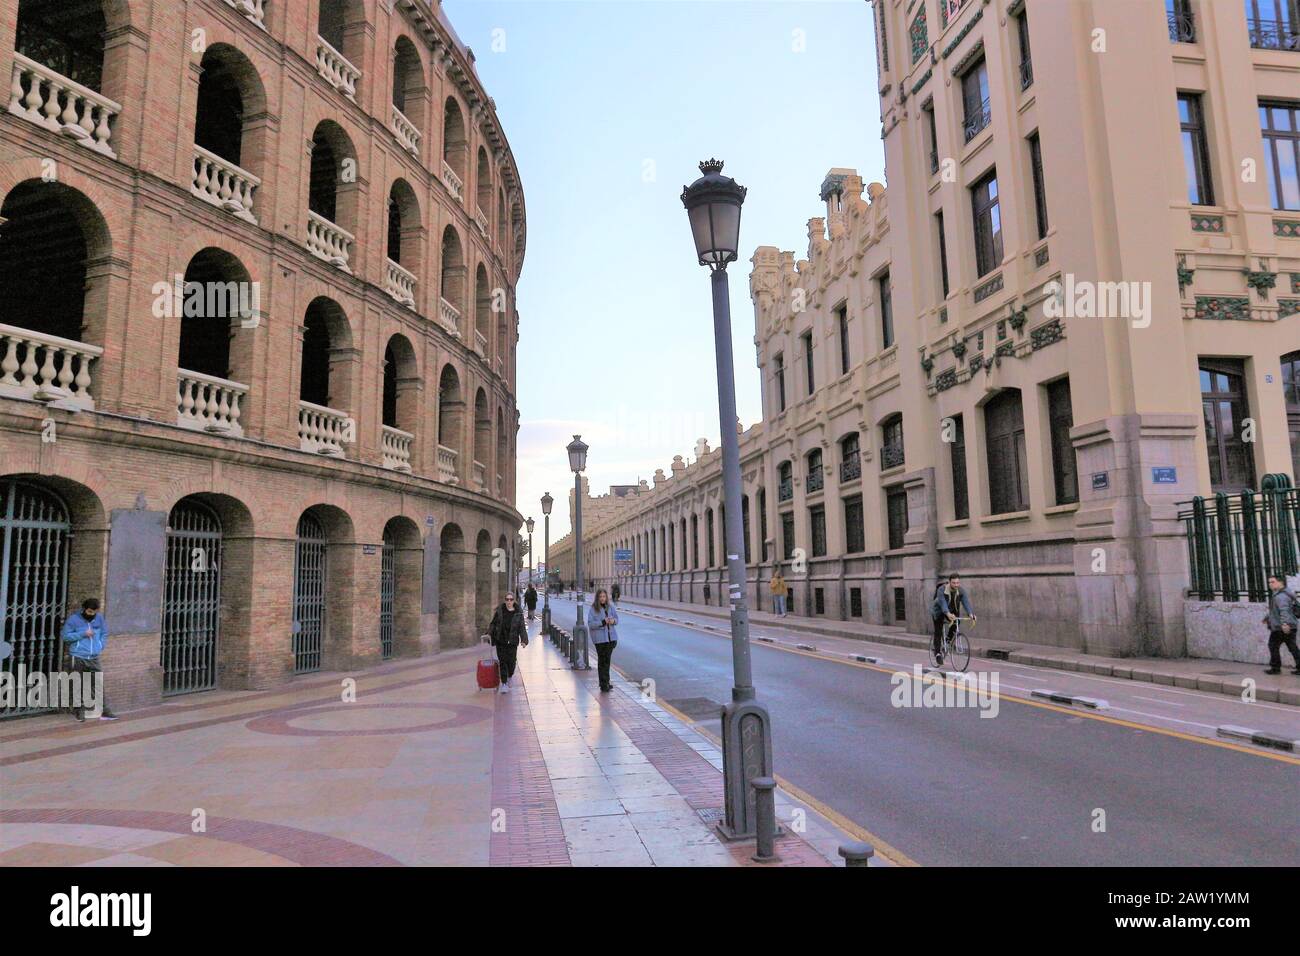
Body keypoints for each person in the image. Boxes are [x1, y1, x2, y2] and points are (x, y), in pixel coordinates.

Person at [61, 597, 117, 721]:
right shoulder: (74, 620)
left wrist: (100, 646)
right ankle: (79, 711)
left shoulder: (99, 618)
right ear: (84, 609)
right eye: (89, 612)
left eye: (94, 612)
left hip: (93, 657)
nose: (91, 614)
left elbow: (104, 633)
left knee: (98, 683)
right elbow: (65, 636)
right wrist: (82, 634)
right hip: (78, 656)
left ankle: (104, 710)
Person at [929, 573, 975, 666]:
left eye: (958, 583)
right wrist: (947, 613)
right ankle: (937, 653)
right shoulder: (942, 590)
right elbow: (942, 603)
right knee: (938, 630)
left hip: (951, 611)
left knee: (957, 622)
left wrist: (970, 613)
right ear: (949, 582)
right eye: (954, 583)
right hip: (939, 611)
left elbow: (965, 602)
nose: (956, 585)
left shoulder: (960, 590)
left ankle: (947, 641)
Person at [488, 591, 528, 693]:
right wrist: (489, 633)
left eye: (511, 599)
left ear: (514, 600)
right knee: (503, 662)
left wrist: (524, 640)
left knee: (511, 662)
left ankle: (510, 675)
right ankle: (504, 683)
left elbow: (522, 628)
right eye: (507, 599)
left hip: (513, 641)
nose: (509, 601)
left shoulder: (518, 613)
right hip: (500, 641)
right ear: (505, 600)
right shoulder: (500, 611)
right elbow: (493, 624)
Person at [1262, 573, 1299, 676]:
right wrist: (1268, 617)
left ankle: (1275, 668)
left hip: (1281, 627)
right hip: (1289, 626)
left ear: (1281, 582)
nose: (1270, 584)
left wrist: (1284, 624)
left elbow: (1284, 611)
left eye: (1273, 582)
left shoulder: (1281, 596)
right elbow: (1276, 611)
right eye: (1269, 582)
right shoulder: (1283, 594)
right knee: (1292, 647)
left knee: (1273, 645)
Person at [590, 588, 619, 693]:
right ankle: (603, 684)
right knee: (602, 662)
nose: (602, 598)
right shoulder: (593, 609)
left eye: (604, 596)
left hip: (610, 639)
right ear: (597, 598)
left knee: (607, 661)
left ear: (606, 597)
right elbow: (591, 624)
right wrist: (602, 622)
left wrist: (613, 621)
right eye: (600, 597)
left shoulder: (610, 607)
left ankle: (606, 682)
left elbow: (617, 619)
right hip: (600, 640)